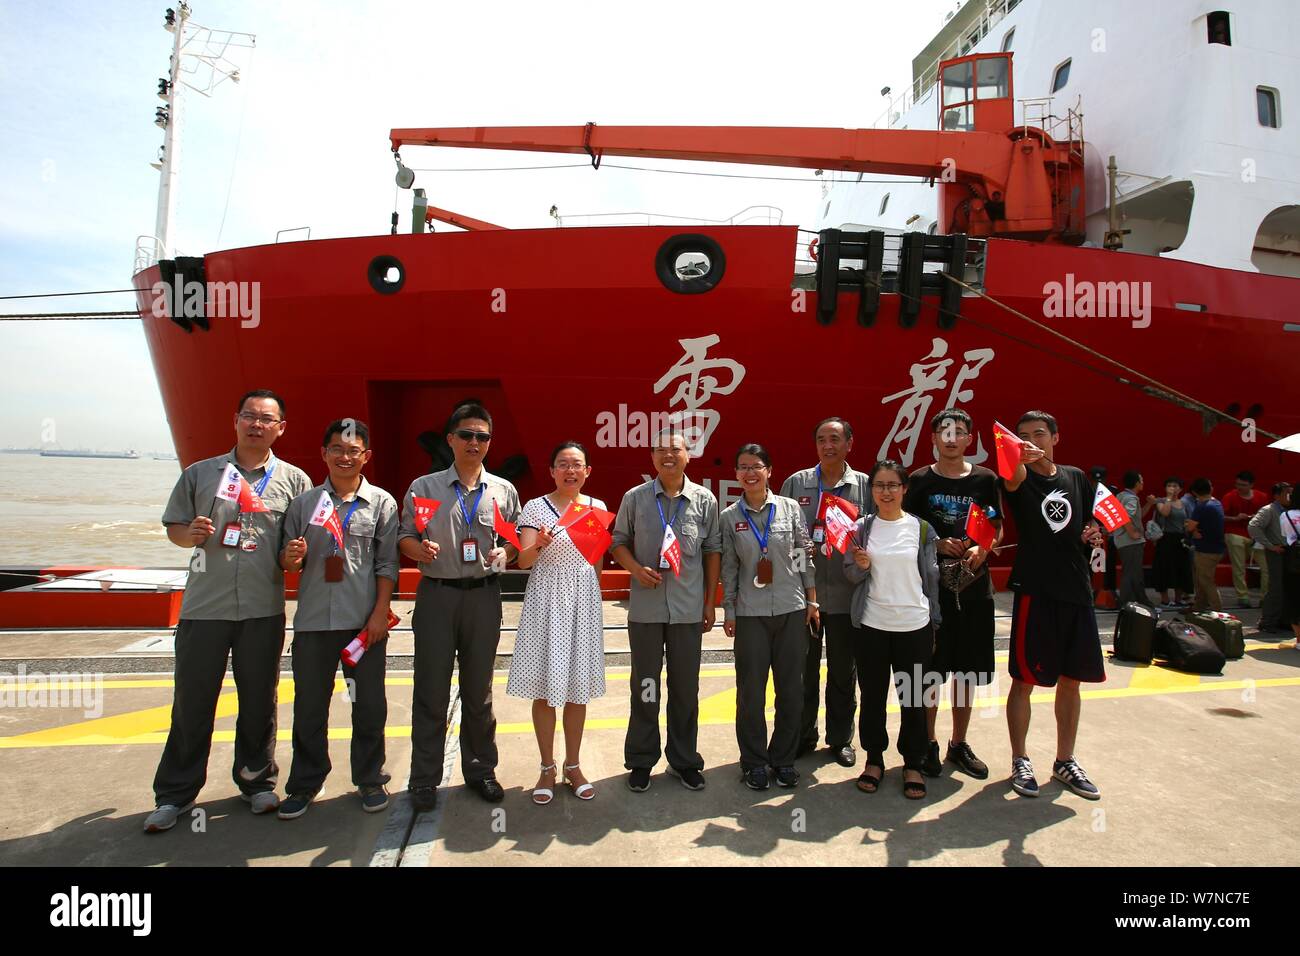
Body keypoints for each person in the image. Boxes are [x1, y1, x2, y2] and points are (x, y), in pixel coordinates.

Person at [145, 389, 313, 833]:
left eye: (266, 419)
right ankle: (175, 795)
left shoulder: (294, 482)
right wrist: (190, 534)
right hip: (205, 608)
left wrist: (294, 556)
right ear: (235, 421)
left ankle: (257, 782)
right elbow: (175, 528)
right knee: (192, 702)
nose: (257, 425)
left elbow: (289, 553)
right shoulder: (201, 474)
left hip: (262, 608)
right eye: (249, 417)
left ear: (281, 428)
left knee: (260, 700)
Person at [398, 404, 520, 811]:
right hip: (437, 595)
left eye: (482, 437)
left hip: (484, 596)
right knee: (430, 691)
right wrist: (419, 548)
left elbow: (514, 539)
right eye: (466, 435)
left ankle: (481, 770)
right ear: (450, 439)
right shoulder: (424, 488)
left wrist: (507, 551)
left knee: (478, 691)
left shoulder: (502, 491)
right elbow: (405, 538)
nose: (474, 443)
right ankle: (424, 780)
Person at [277, 419, 399, 819]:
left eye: (353, 451)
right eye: (336, 450)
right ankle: (305, 782)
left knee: (367, 706)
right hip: (313, 623)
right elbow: (287, 562)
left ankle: (369, 777)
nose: (345, 458)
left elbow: (386, 565)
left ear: (366, 456)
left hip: (362, 624)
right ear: (324, 454)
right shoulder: (304, 505)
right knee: (310, 707)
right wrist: (290, 558)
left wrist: (379, 614)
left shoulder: (382, 504)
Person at [1001, 411, 1106, 801]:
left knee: (1072, 680)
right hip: (1036, 590)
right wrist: (1015, 457)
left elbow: (1087, 523)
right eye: (1023, 436)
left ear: (1056, 437)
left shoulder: (1077, 476)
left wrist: (1093, 532)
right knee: (1024, 680)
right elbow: (1011, 477)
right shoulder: (1019, 476)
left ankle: (1065, 760)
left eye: (1039, 435)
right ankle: (1020, 758)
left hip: (1076, 590)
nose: (1031, 441)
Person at [610, 428, 721, 792]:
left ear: (688, 455)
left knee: (686, 688)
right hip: (645, 610)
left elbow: (712, 552)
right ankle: (641, 760)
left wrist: (709, 603)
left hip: (688, 610)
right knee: (645, 686)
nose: (667, 455)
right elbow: (618, 543)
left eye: (675, 449)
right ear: (652, 457)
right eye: (660, 449)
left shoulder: (704, 500)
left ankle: (684, 760)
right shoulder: (636, 498)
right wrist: (634, 569)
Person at [903, 408, 1001, 780]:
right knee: (931, 671)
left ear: (969, 439)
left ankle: (958, 743)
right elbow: (908, 530)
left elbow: (996, 527)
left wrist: (983, 548)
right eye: (944, 432)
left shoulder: (985, 480)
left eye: (959, 432)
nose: (951, 438)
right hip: (932, 593)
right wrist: (936, 543)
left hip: (976, 590)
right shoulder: (918, 481)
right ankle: (927, 741)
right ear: (932, 439)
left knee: (966, 672)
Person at [507, 441, 607, 805]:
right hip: (547, 599)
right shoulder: (537, 507)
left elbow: (594, 561)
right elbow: (523, 561)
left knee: (578, 688)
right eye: (562, 464)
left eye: (577, 464)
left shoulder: (596, 507)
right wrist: (540, 545)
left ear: (587, 471)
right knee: (546, 687)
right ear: (551, 471)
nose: (570, 470)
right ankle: (547, 766)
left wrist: (592, 595)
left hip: (583, 600)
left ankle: (574, 765)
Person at [721, 444, 818, 790]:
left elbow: (803, 555)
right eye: (743, 467)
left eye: (756, 466)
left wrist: (812, 600)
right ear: (736, 474)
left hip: (792, 610)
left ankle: (784, 759)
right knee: (751, 692)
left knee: (791, 690)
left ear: (769, 471)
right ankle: (754, 762)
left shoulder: (790, 509)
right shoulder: (730, 517)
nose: (750, 473)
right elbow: (730, 568)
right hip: (750, 614)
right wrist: (729, 611)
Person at [843, 460, 941, 800]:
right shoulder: (861, 529)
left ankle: (912, 762)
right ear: (871, 491)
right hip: (872, 625)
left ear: (904, 489)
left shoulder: (922, 529)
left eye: (892, 485)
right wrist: (860, 567)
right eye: (879, 486)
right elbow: (849, 574)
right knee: (872, 697)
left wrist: (935, 621)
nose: (886, 492)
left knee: (913, 699)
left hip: (914, 625)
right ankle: (873, 759)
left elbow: (931, 581)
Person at [779, 416, 872, 767]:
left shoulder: (864, 486)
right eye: (821, 439)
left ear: (850, 443)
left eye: (835, 439)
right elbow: (781, 532)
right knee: (803, 671)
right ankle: (803, 735)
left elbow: (877, 534)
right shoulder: (797, 483)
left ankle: (840, 739)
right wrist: (800, 553)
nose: (828, 445)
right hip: (805, 595)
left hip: (848, 595)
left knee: (843, 671)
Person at [1250, 482, 1294, 634]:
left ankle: (1285, 619)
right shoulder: (1269, 510)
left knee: (1289, 588)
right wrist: (1269, 545)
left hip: (1291, 552)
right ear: (1277, 495)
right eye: (1287, 493)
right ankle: (1267, 620)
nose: (1290, 496)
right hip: (1277, 551)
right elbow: (1253, 526)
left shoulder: (1292, 510)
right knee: (1276, 587)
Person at [1222, 470, 1267, 608]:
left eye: (1243, 484)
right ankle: (1243, 596)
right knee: (1239, 566)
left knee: (1266, 567)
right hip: (1235, 532)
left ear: (1251, 485)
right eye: (1238, 484)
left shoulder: (1261, 497)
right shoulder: (1230, 496)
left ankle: (1265, 597)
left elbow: (1266, 515)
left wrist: (1256, 517)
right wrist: (1235, 518)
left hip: (1256, 534)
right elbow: (1221, 516)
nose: (1239, 487)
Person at [1150, 477, 1194, 609]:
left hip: (1180, 539)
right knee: (1164, 568)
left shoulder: (1184, 503)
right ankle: (1164, 599)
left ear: (1180, 489)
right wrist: (1169, 498)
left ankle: (1178, 598)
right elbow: (1165, 512)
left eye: (1175, 486)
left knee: (1181, 568)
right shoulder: (1160, 501)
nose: (1172, 488)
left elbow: (1188, 520)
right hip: (1165, 538)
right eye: (1169, 486)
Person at [1185, 477, 1226, 613]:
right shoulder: (1217, 503)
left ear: (1195, 493)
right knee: (1200, 580)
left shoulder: (1201, 507)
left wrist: (1191, 528)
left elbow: (1190, 526)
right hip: (1217, 548)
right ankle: (1199, 606)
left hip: (1206, 550)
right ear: (1211, 488)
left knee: (1207, 581)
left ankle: (1218, 611)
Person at [1114, 471, 1153, 607]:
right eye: (1141, 480)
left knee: (1130, 572)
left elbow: (1137, 516)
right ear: (1136, 483)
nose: (1143, 482)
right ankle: (1132, 602)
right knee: (1133, 574)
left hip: (1121, 541)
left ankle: (1134, 601)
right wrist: (1131, 533)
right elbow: (1127, 516)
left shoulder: (1121, 496)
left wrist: (1149, 504)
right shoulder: (1131, 499)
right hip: (1130, 542)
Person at [1276, 482, 1300, 647]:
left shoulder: (1286, 515)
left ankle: (1299, 639)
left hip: (1294, 561)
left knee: (1294, 598)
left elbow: (1285, 536)